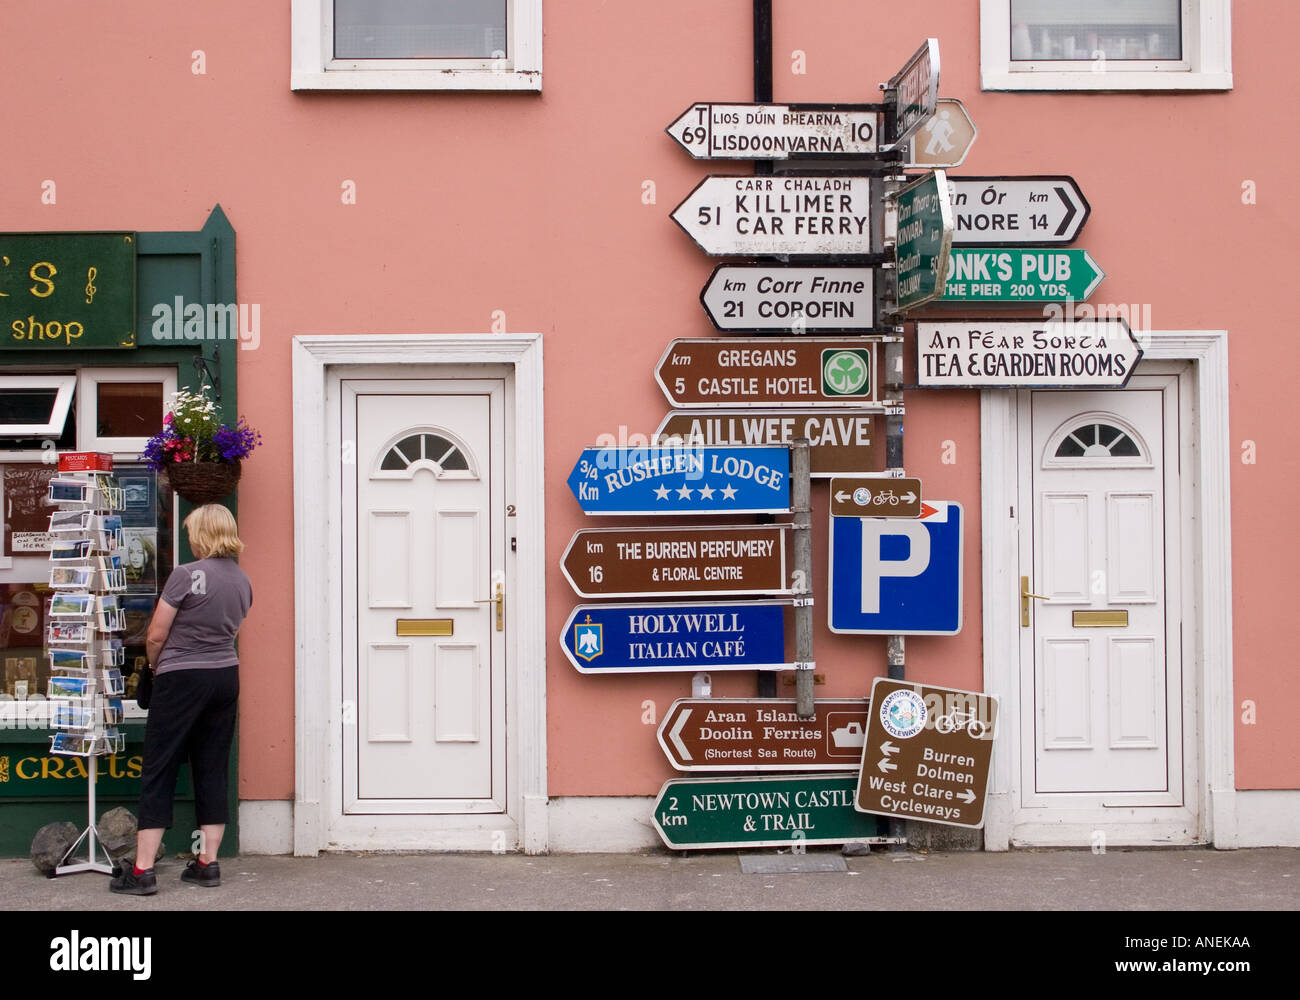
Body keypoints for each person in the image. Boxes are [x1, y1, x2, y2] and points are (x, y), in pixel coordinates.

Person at [110, 504, 252, 895]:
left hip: (182, 677)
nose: (189, 538)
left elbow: (156, 634)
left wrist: (155, 667)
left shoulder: (185, 575)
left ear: (203, 534)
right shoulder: (242, 580)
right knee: (212, 765)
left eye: (192, 531)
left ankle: (142, 871)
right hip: (225, 676)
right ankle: (207, 864)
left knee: (160, 766)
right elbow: (231, 629)